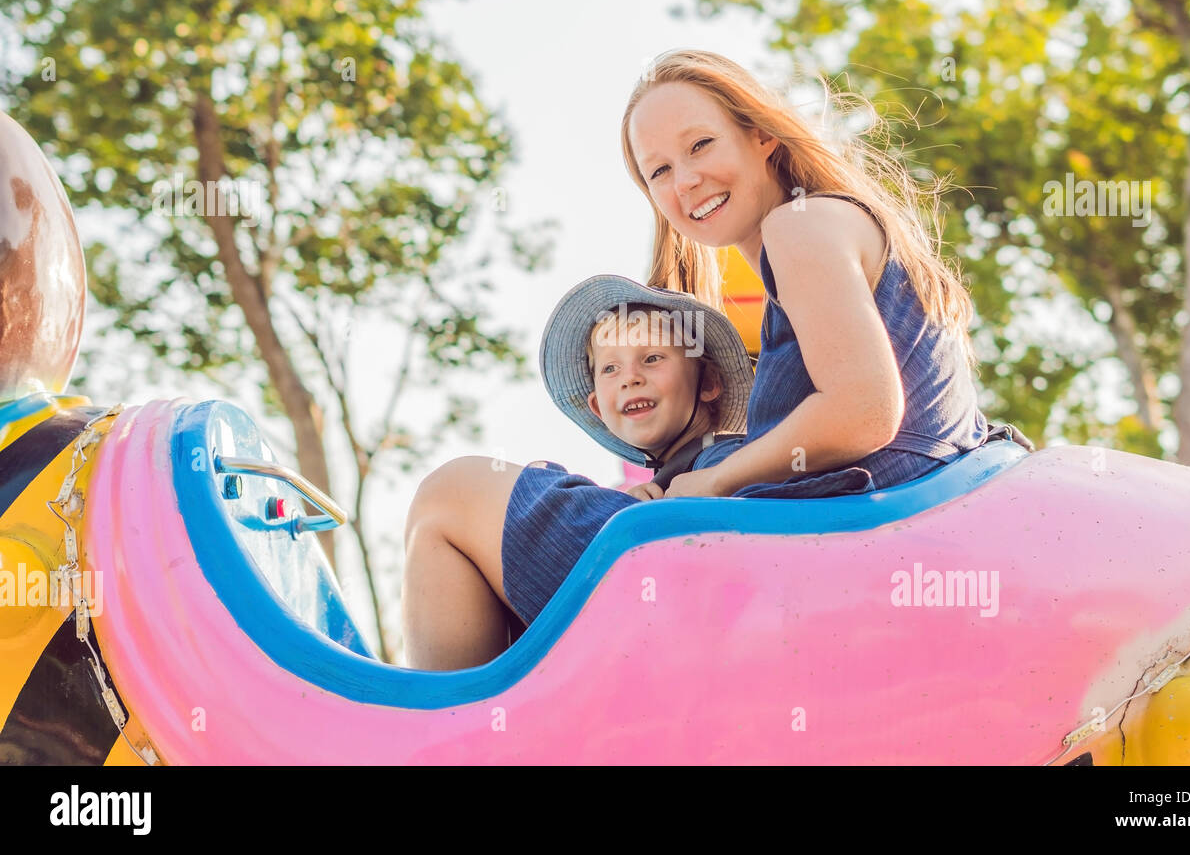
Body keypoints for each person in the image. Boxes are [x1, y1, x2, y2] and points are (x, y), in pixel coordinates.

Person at [402, 48, 1024, 671]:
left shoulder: (800, 227)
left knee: (452, 496)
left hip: (794, 567)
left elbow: (865, 410)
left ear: (760, 135)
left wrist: (712, 483)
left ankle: (453, 736)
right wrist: (679, 481)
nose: (685, 181)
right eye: (658, 172)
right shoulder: (830, 234)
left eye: (700, 145)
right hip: (820, 544)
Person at [401, 276, 756, 670]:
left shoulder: (726, 459)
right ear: (598, 408)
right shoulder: (655, 487)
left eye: (652, 358)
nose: (630, 377)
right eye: (609, 368)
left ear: (707, 383)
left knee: (452, 491)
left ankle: (449, 716)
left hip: (687, 602)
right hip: (657, 611)